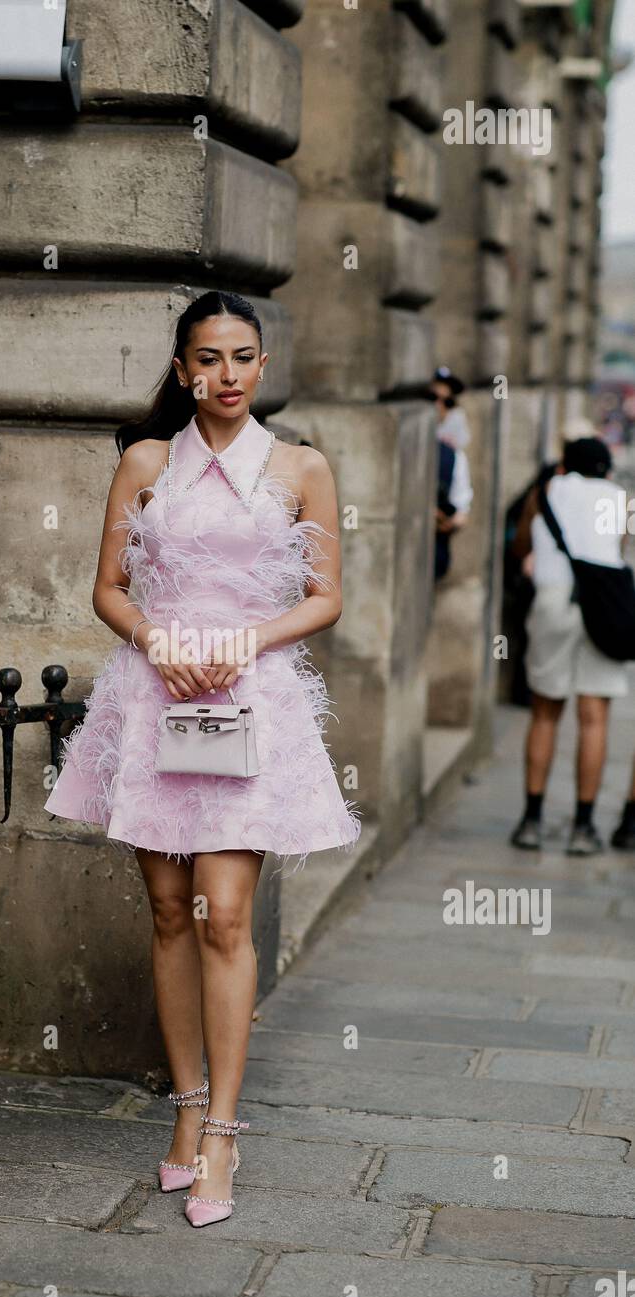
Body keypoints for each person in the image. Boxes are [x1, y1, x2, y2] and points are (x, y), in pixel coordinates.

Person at [43, 290, 361, 1227]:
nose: (226, 375)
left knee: (226, 914)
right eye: (208, 358)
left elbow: (327, 595)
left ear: (264, 367)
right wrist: (153, 638)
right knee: (167, 911)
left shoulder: (302, 466)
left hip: (250, 699)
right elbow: (106, 587)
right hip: (157, 697)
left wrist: (246, 640)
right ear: (182, 369)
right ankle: (183, 1116)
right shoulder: (145, 461)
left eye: (242, 357)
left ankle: (223, 1131)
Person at [510, 435, 628, 854]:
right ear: (604, 469)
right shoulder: (618, 496)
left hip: (554, 598)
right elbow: (618, 549)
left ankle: (531, 820)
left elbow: (522, 543)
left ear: (565, 465)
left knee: (545, 712)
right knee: (594, 716)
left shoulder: (546, 491)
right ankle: (583, 827)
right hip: (602, 608)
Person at [431, 367, 473, 580]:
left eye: (447, 402)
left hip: (434, 556)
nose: (439, 407)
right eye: (433, 398)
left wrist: (447, 520)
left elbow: (462, 511)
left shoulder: (453, 456)